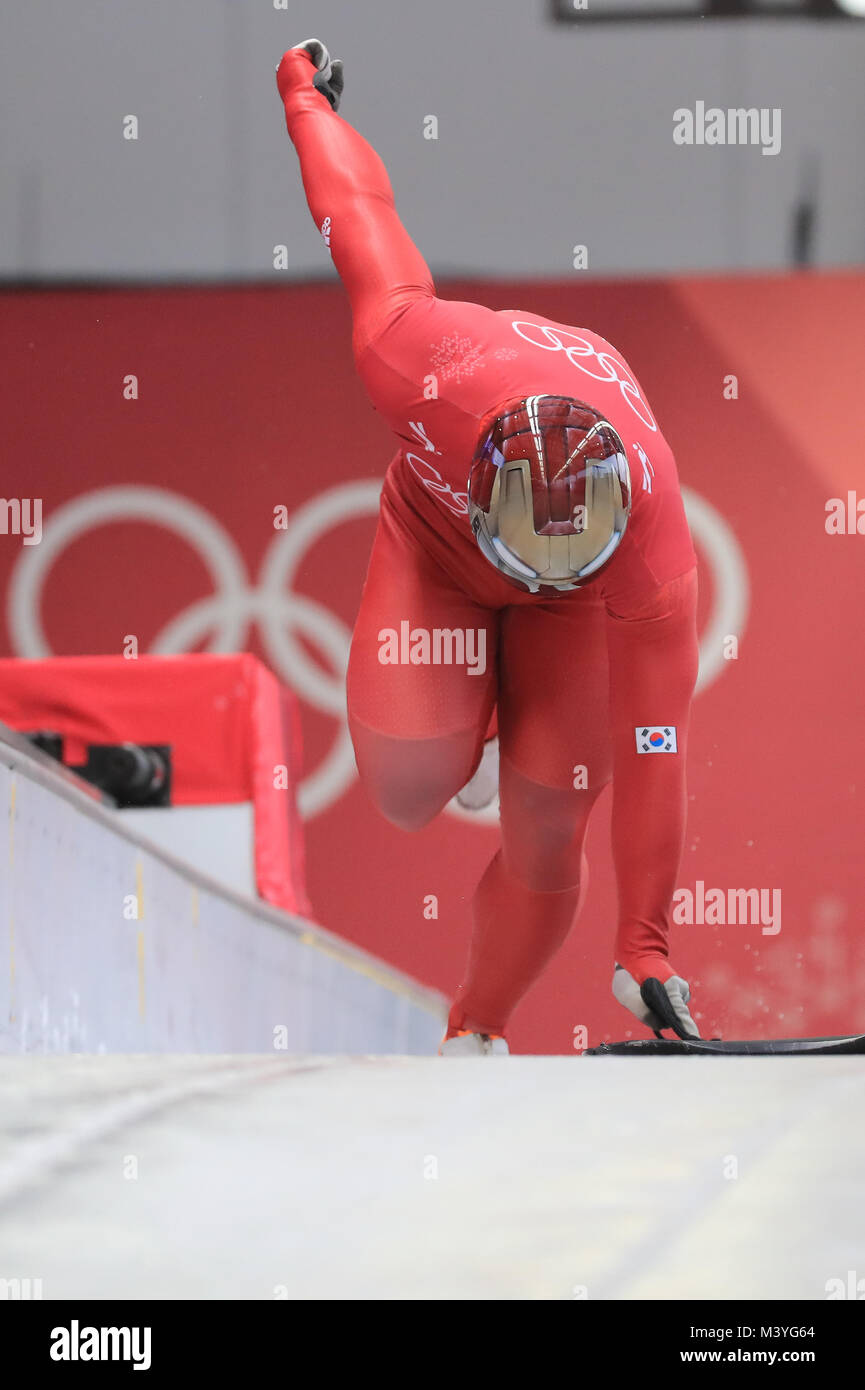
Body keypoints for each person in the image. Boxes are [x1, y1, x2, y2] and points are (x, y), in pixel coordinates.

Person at [276, 40, 701, 1054]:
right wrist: (306, 100)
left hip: (576, 619)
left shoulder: (653, 547)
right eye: (531, 543)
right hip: (435, 552)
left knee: (551, 825)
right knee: (408, 787)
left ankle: (477, 1026)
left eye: (574, 547)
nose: (549, 558)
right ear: (483, 484)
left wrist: (646, 949)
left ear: (616, 513)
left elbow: (656, 747)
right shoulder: (410, 354)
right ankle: (478, 729)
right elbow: (360, 215)